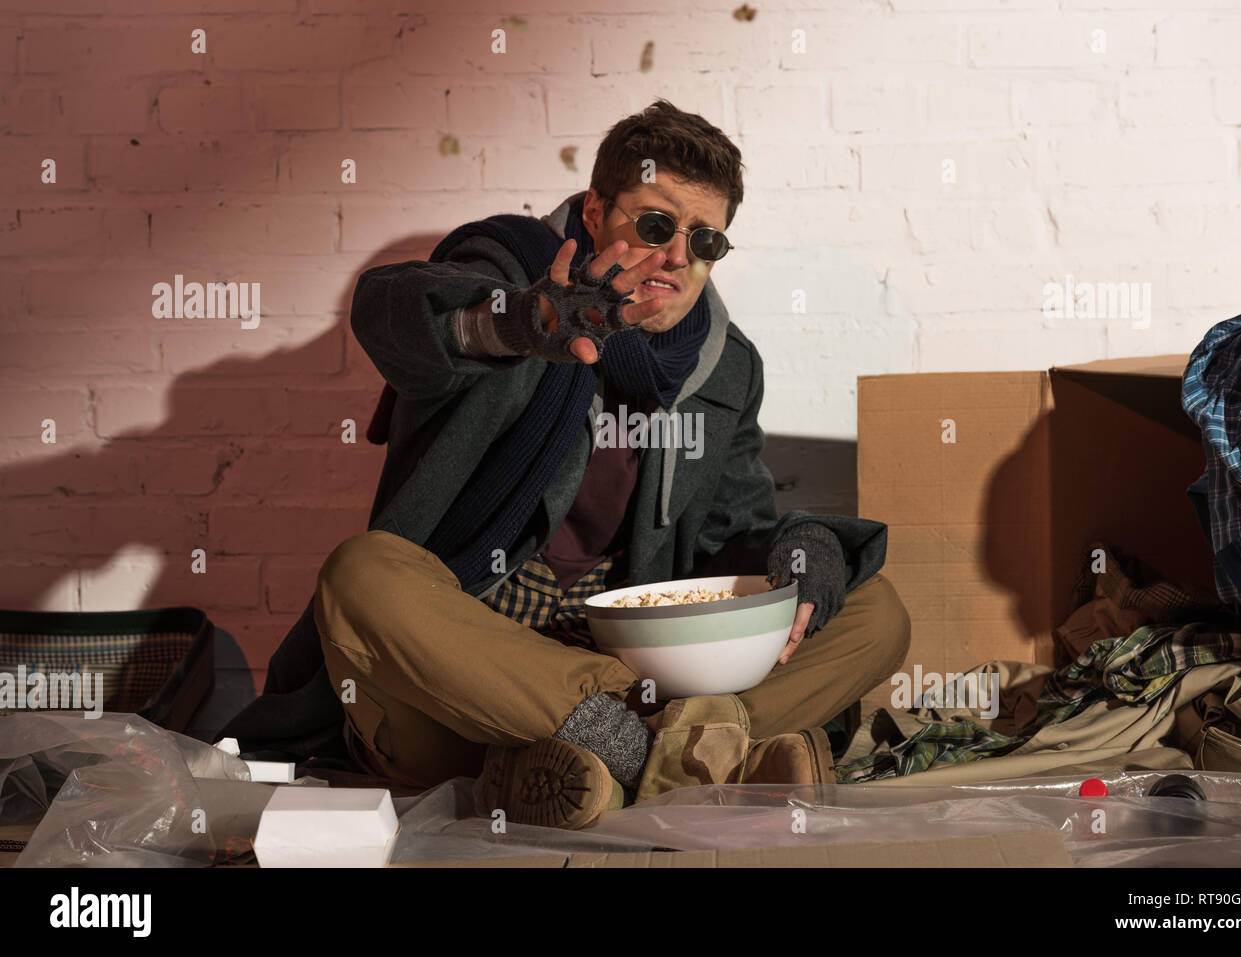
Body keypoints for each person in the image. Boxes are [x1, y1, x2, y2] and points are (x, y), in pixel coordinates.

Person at [222, 99, 911, 829]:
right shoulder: (512, 274)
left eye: (705, 240)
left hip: (639, 656)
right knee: (362, 576)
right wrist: (518, 321)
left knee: (877, 609)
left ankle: (612, 759)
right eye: (655, 225)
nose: (678, 256)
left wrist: (803, 551)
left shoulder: (725, 368)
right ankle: (676, 752)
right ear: (593, 211)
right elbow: (390, 314)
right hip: (462, 673)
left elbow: (729, 540)